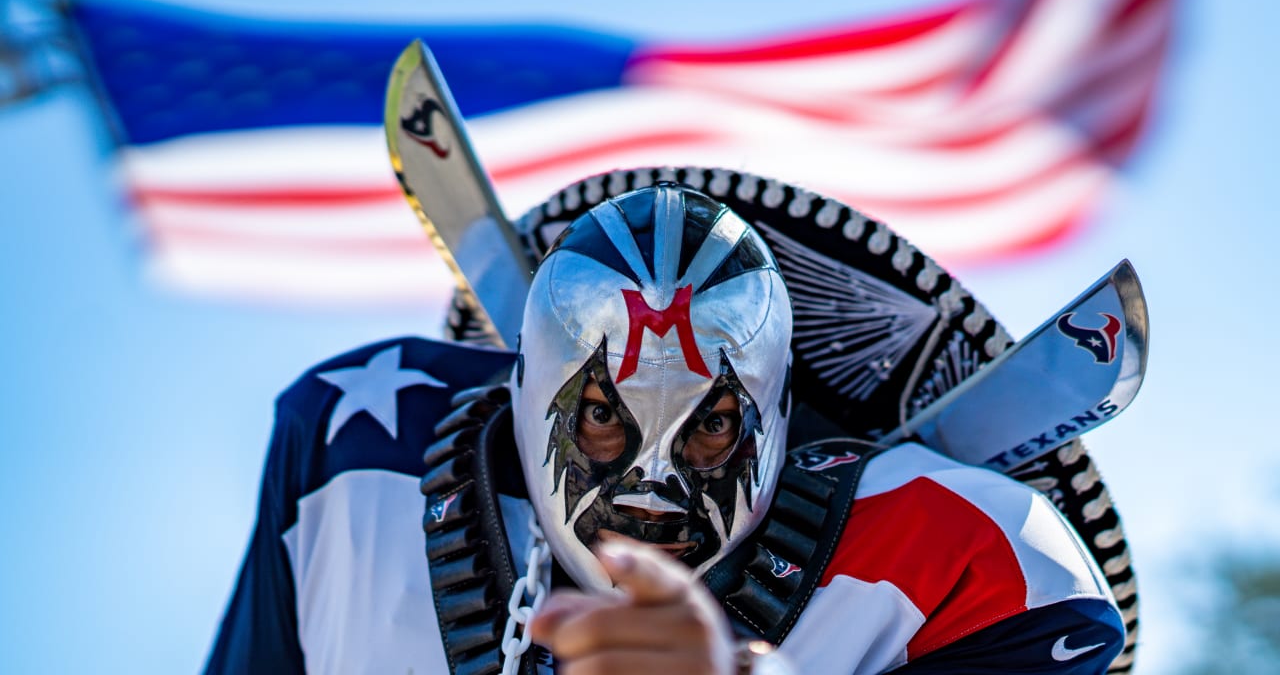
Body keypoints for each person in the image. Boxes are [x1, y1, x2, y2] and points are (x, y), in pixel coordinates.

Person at [205, 181, 1126, 675]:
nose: (653, 481)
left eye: (712, 426)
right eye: (602, 416)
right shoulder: (348, 451)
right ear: (533, 396)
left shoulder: (979, 562)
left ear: (773, 413)